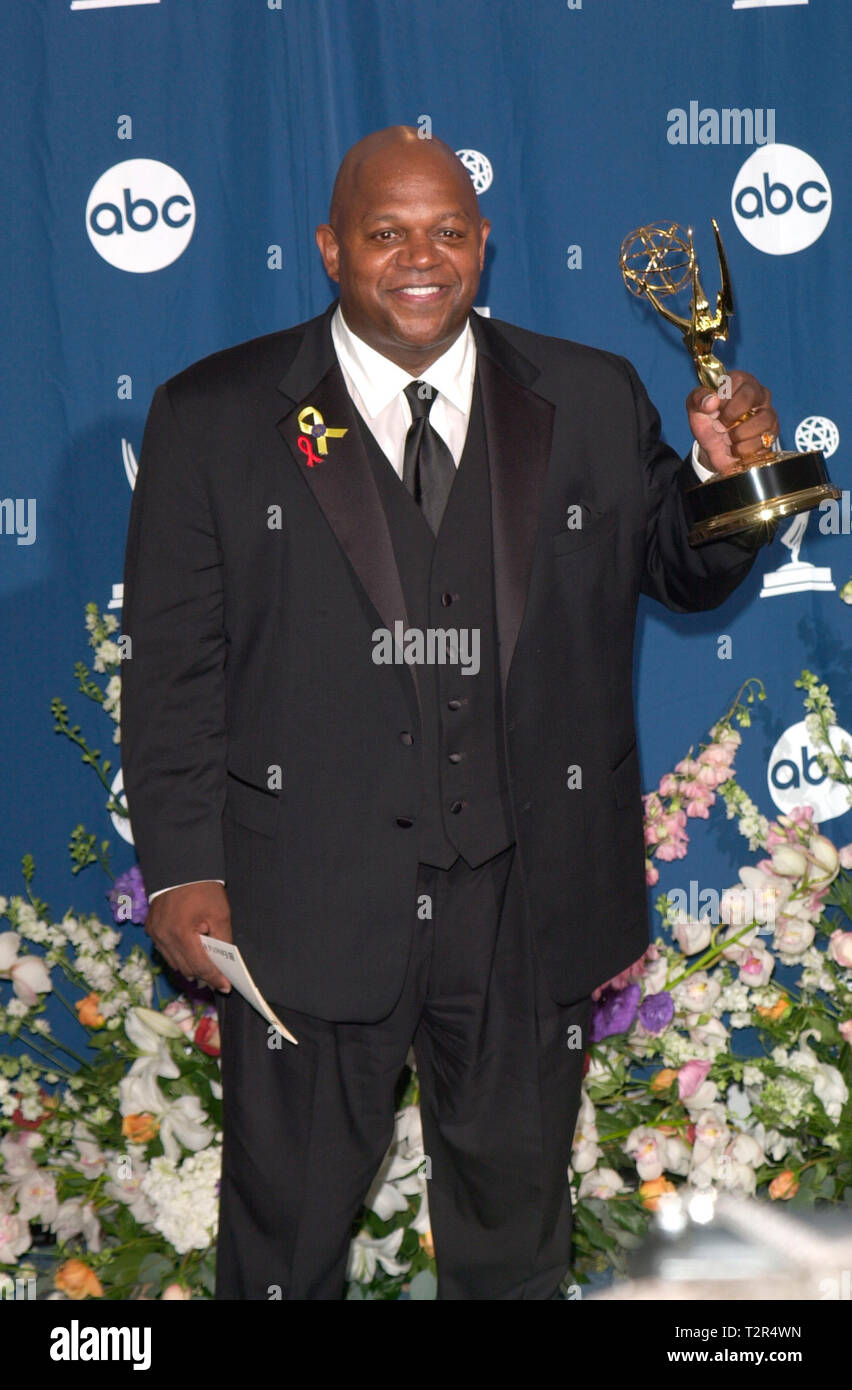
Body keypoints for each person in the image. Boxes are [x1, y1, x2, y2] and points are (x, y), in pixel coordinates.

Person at [121, 125, 779, 1300]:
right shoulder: (212, 415)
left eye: (447, 233)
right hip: (303, 900)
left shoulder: (584, 393)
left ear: (482, 245)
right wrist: (180, 869)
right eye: (387, 233)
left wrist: (726, 482)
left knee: (515, 1233)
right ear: (332, 247)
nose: (420, 258)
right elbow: (173, 667)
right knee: (283, 1238)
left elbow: (681, 568)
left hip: (527, 892)